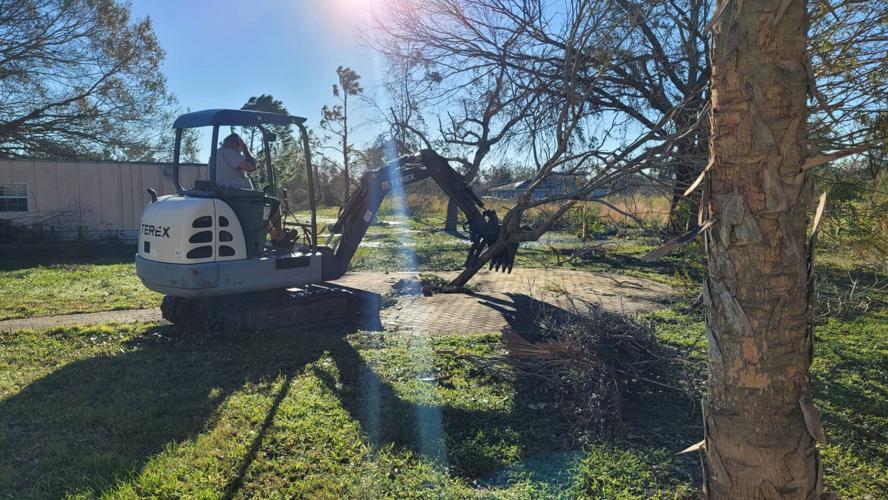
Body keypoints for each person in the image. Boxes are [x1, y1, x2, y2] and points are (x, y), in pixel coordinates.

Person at [215, 133, 293, 248]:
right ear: (237, 142)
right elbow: (251, 167)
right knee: (272, 203)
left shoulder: (217, 153)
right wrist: (245, 150)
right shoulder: (230, 152)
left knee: (262, 210)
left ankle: (275, 236)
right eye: (240, 143)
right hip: (237, 196)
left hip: (230, 194)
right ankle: (280, 236)